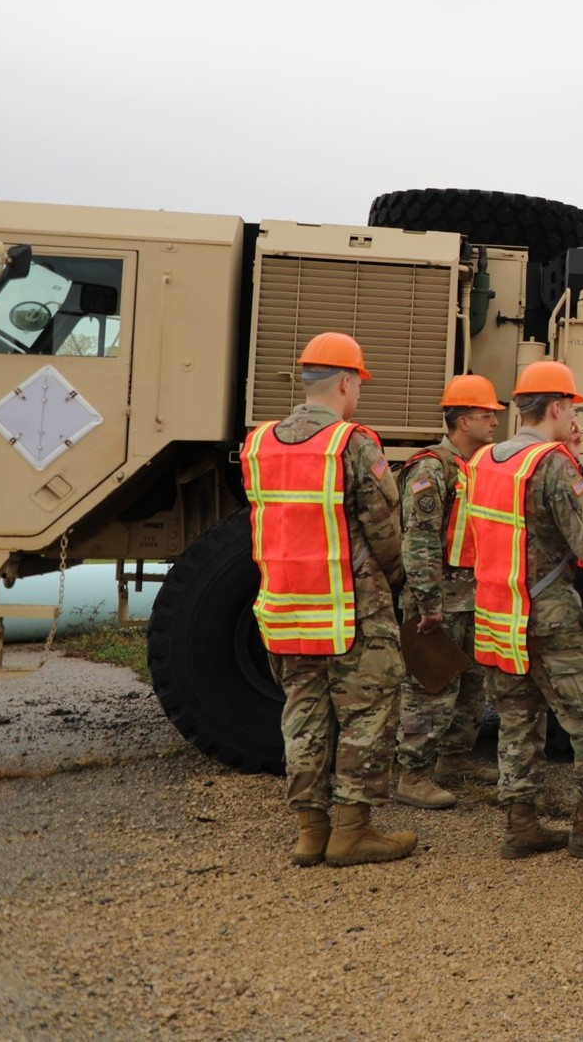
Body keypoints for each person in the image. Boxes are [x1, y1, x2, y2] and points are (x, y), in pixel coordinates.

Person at [452, 360, 583, 862]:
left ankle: (521, 825)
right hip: (549, 617)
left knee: (517, 723)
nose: (573, 415)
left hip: (497, 615)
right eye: (571, 406)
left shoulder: (485, 459)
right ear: (557, 407)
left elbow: (470, 541)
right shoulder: (553, 464)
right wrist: (578, 466)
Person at [242, 332, 414, 868]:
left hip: (286, 603)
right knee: (367, 711)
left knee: (303, 714)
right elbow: (385, 532)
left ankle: (310, 832)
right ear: (346, 382)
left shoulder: (259, 441)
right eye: (358, 383)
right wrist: (394, 579)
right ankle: (352, 831)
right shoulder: (352, 442)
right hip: (351, 604)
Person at [393, 373, 505, 810]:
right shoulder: (430, 469)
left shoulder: (478, 467)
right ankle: (412, 775)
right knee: (430, 685)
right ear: (461, 421)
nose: (494, 421)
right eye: (485, 415)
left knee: (473, 683)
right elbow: (419, 539)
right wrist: (427, 601)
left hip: (474, 596)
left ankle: (455, 759)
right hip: (439, 601)